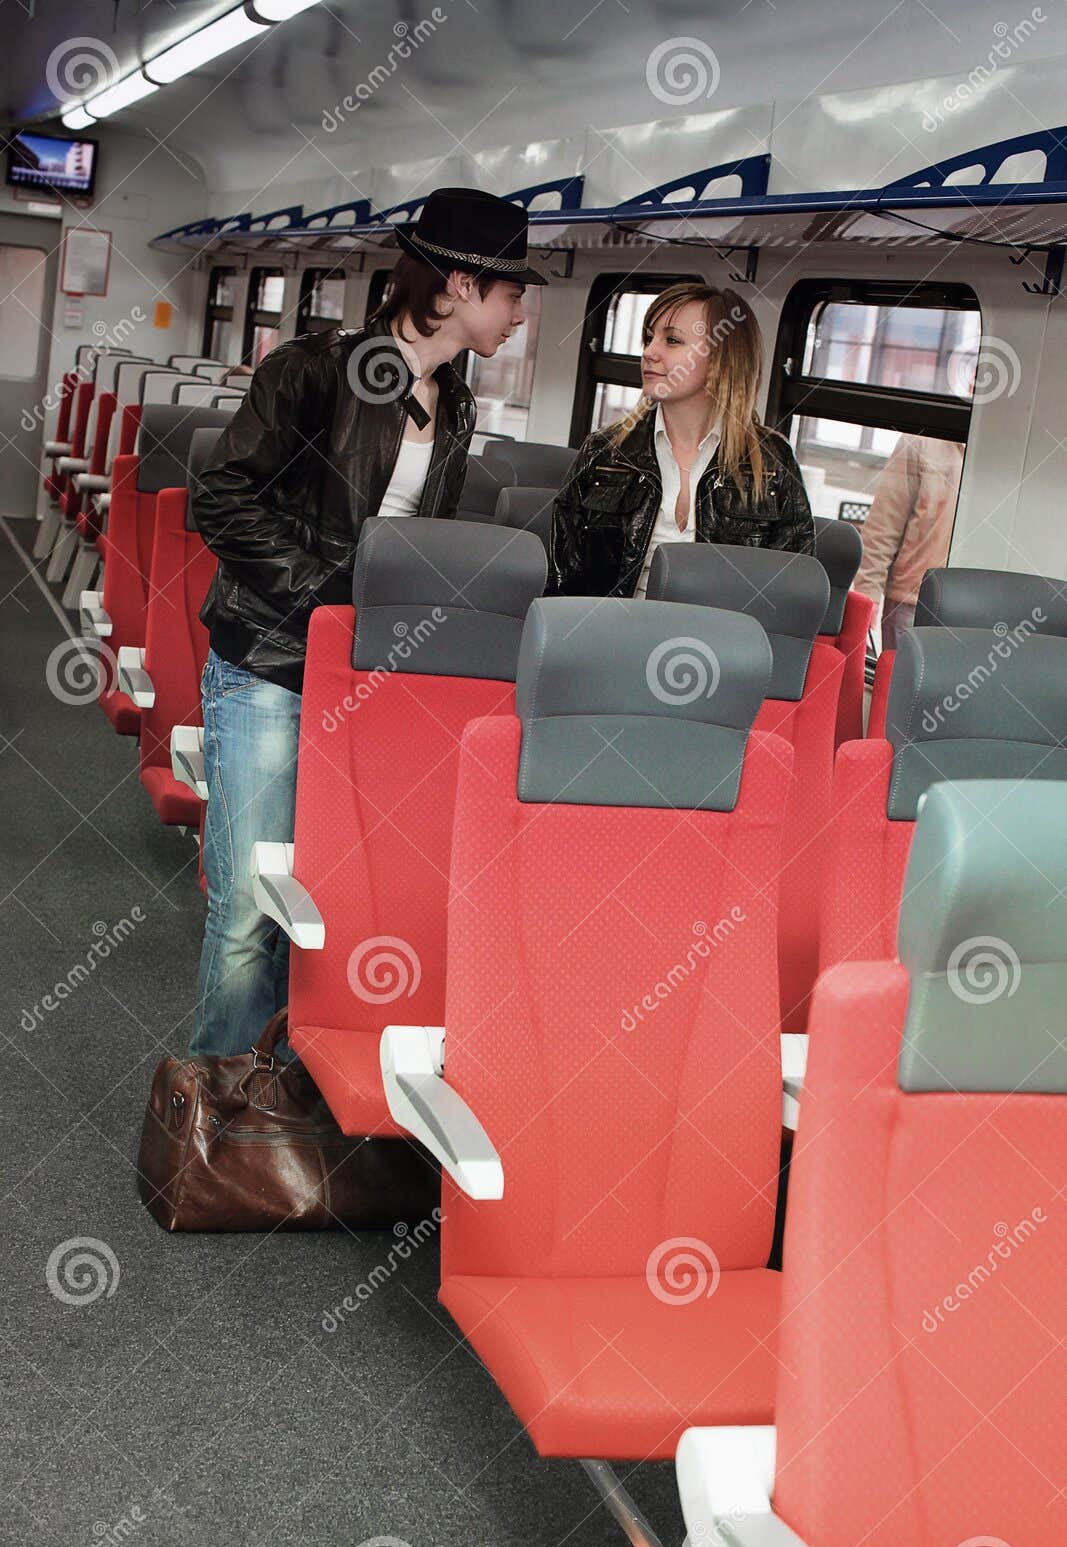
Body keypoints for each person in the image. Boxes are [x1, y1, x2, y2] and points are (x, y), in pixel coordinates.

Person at [187, 187, 546, 1059]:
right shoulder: (311, 370)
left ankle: (286, 1096)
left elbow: (413, 547)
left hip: (369, 681)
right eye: (511, 295)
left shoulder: (454, 406)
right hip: (270, 664)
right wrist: (328, 601)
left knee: (332, 899)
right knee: (248, 910)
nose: (519, 315)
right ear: (460, 285)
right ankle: (219, 1119)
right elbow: (221, 498)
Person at [550, 282, 814, 597]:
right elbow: (561, 577)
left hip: (718, 641)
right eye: (649, 338)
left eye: (672, 340)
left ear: (720, 358)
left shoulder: (771, 458)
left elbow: (790, 592)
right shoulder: (604, 451)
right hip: (612, 635)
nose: (649, 352)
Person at [853, 434, 965, 649]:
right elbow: (884, 523)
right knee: (897, 680)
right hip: (911, 600)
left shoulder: (1003, 443)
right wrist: (867, 594)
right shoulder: (921, 439)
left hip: (973, 606)